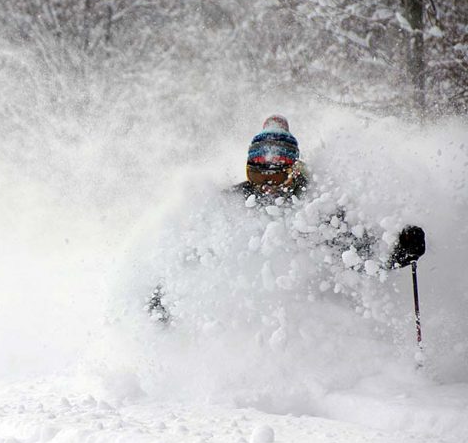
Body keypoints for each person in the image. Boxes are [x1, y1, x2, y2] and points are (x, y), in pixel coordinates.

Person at [146, 115, 426, 322]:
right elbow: (192, 252)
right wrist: (165, 294)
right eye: (257, 174)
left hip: (309, 318)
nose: (267, 185)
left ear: (294, 169)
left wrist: (401, 251)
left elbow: (363, 258)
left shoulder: (319, 208)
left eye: (277, 175)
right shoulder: (230, 204)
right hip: (243, 320)